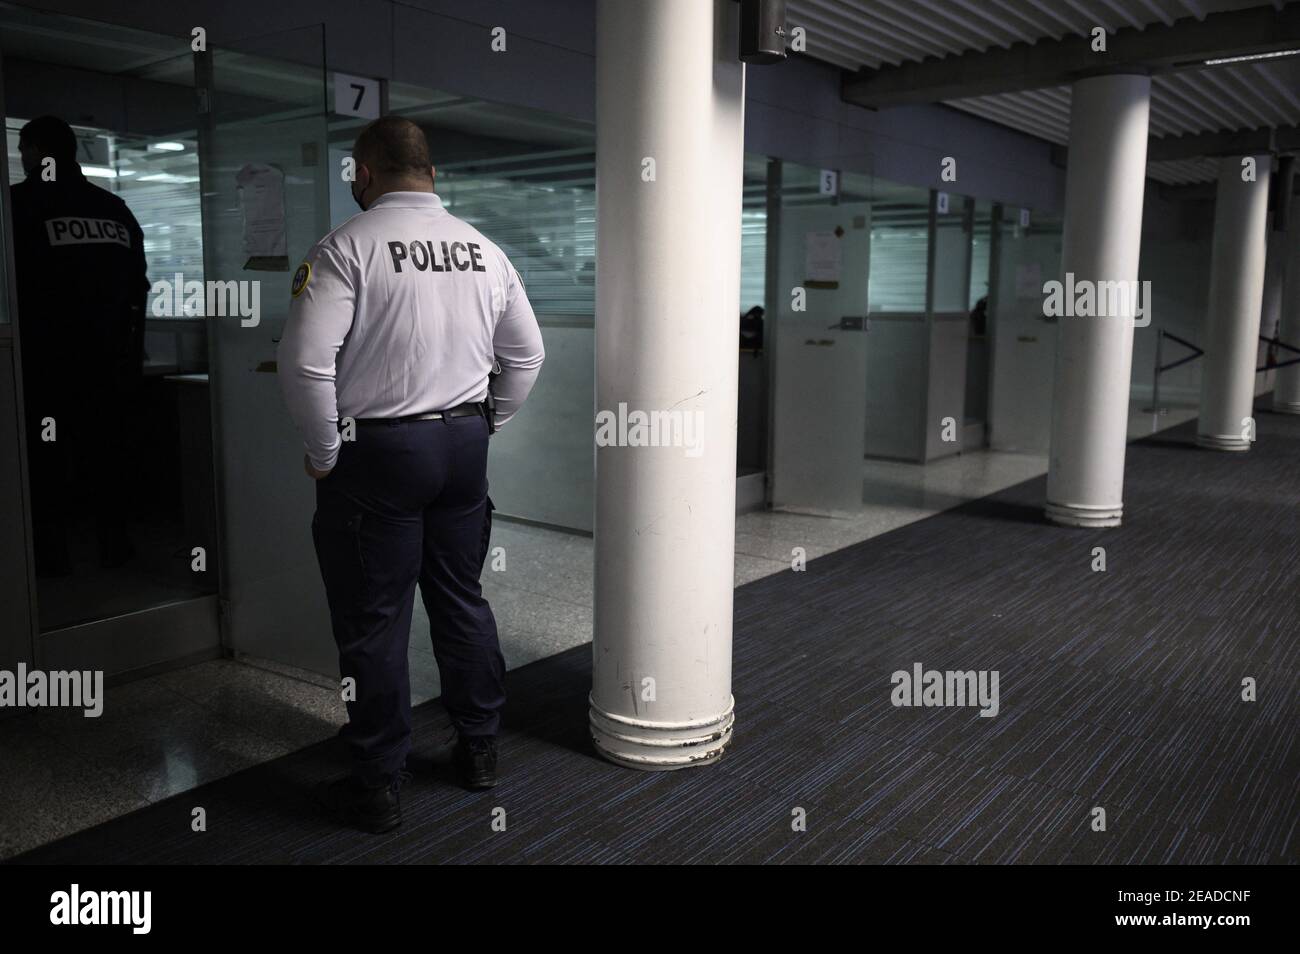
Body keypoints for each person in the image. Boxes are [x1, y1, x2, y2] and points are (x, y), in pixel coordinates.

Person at [278, 116, 544, 833]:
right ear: (431, 173)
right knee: (461, 598)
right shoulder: (485, 250)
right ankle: (479, 748)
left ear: (364, 172)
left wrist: (325, 453)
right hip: (462, 450)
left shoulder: (346, 248)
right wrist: (487, 422)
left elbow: (305, 364)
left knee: (374, 620)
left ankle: (376, 782)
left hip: (376, 457)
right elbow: (526, 357)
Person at [11, 116, 148, 575]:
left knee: (46, 462)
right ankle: (116, 546)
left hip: (43, 365)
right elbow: (138, 288)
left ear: (31, 151)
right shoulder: (114, 210)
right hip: (109, 365)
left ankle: (51, 560)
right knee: (106, 456)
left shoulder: (17, 206)